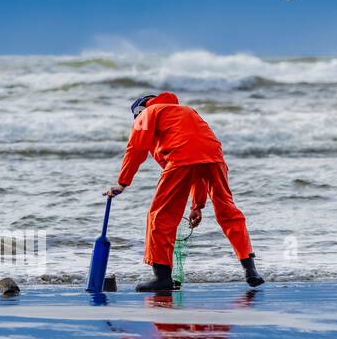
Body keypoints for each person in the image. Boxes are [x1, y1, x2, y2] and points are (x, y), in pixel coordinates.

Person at [105, 93, 264, 291]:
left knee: (160, 216)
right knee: (228, 212)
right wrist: (197, 206)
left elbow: (136, 148)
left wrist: (122, 183)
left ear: (138, 112)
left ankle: (162, 278)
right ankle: (250, 269)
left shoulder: (147, 113)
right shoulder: (186, 111)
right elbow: (197, 158)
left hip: (181, 159)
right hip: (215, 158)